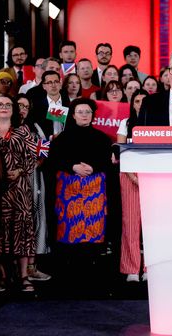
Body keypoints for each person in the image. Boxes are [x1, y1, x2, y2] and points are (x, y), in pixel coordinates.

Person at [49, 99, 113, 276]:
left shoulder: (102, 138)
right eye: (80, 112)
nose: (85, 115)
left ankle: (92, 270)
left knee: (93, 230)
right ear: (73, 115)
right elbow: (54, 160)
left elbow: (108, 161)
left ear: (93, 115)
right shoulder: (62, 138)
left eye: (88, 112)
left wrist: (94, 168)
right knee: (70, 229)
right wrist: (72, 167)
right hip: (70, 191)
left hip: (94, 190)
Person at [0, 95, 38, 293]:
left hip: (20, 188)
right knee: (0, 231)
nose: (4, 107)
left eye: (8, 105)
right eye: (0, 105)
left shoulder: (23, 131)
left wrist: (20, 171)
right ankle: (2, 275)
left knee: (22, 230)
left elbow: (34, 157)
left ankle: (24, 275)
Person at [15, 97, 52, 283]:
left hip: (34, 178)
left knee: (36, 218)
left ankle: (32, 266)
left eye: (26, 107)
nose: (23, 109)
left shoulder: (35, 127)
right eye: (20, 105)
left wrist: (37, 163)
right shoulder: (6, 128)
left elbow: (44, 150)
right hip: (12, 181)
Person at [116, 90, 149, 282]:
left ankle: (149, 268)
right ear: (132, 103)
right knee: (131, 223)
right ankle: (131, 268)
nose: (140, 104)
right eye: (137, 101)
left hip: (152, 177)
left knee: (151, 225)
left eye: (144, 101)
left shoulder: (156, 123)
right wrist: (133, 176)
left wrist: (146, 177)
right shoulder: (125, 123)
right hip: (129, 176)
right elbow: (122, 153)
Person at [30, 70, 71, 139]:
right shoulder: (37, 107)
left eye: (56, 81)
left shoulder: (69, 104)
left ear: (60, 84)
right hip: (47, 143)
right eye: (49, 82)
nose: (53, 85)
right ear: (44, 86)